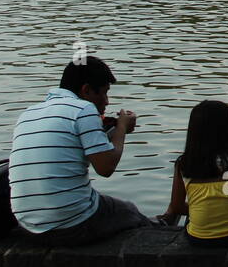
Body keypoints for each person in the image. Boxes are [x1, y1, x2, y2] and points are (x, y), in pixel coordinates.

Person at [9, 57, 155, 246]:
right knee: (130, 211)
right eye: (104, 93)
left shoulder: (28, 113)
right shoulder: (84, 109)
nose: (106, 101)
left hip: (28, 226)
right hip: (72, 224)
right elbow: (106, 167)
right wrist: (121, 128)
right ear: (86, 90)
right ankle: (161, 231)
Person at [159, 101, 228, 248]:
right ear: (225, 132)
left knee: (192, 214)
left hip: (198, 238)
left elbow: (176, 206)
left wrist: (199, 209)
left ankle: (167, 220)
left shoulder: (184, 163)